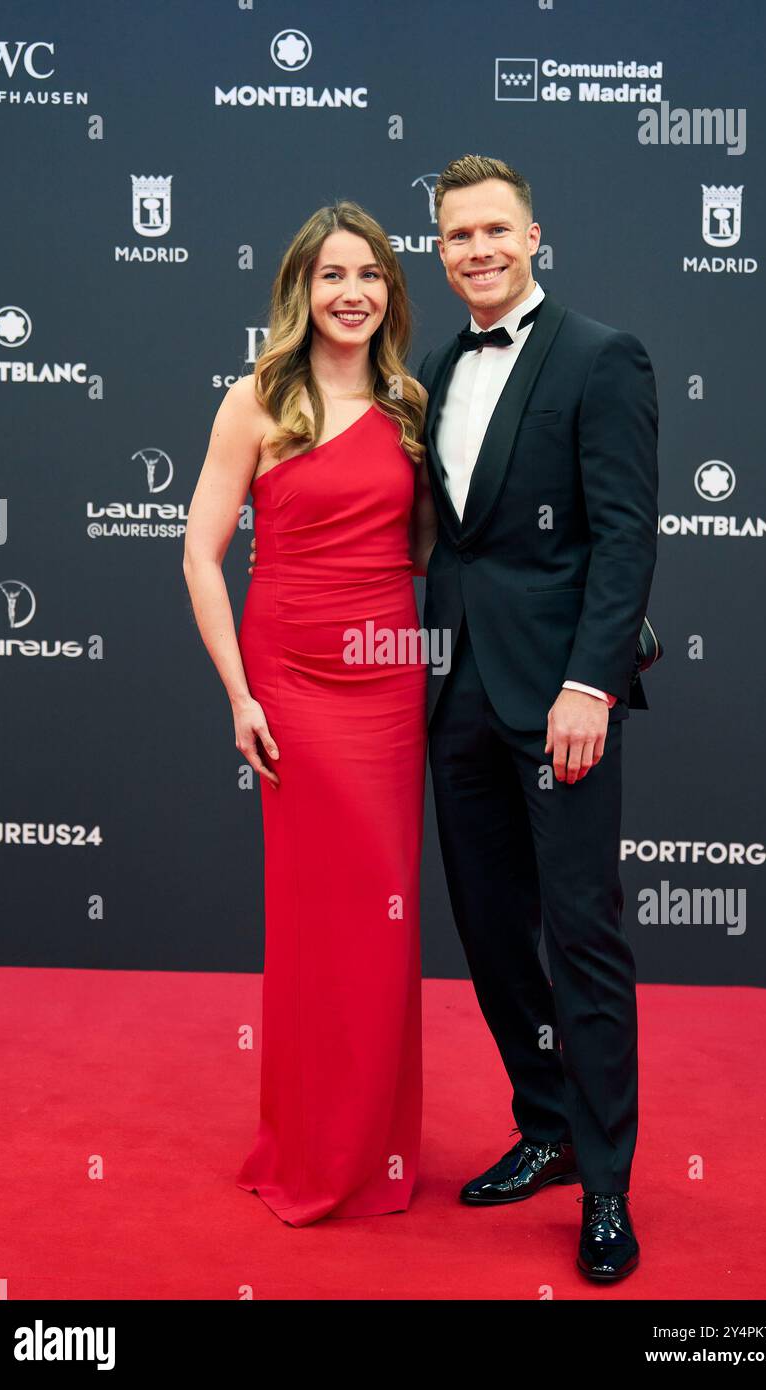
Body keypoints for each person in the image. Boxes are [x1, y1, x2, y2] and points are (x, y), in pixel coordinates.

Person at [417, 155, 659, 1281]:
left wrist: (589, 683)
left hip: (559, 696)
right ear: (440, 247)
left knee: (582, 937)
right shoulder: (433, 364)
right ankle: (547, 1122)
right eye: (456, 234)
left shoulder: (600, 355)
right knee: (487, 928)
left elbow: (622, 537)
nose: (476, 249)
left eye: (494, 231)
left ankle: (606, 1188)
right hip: (454, 690)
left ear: (532, 236)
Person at [183, 202, 433, 1225]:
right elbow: (199, 553)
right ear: (300, 287)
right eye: (332, 275)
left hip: (387, 678)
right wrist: (240, 691)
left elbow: (421, 549)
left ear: (389, 292)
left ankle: (374, 1146)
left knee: (383, 918)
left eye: (369, 275)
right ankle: (304, 1141)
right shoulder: (257, 398)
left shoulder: (411, 401)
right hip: (288, 679)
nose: (351, 293)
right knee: (309, 920)